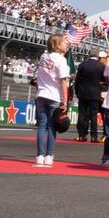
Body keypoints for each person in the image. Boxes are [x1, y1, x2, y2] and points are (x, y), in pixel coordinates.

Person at [34, 33, 70, 167]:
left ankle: (39, 155)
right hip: (54, 95)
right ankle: (49, 155)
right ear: (57, 45)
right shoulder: (61, 60)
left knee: (42, 125)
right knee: (51, 127)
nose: (66, 44)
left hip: (41, 94)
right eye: (63, 42)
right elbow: (63, 81)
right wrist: (65, 100)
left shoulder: (44, 57)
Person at [74, 50, 108, 143]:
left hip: (83, 93)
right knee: (93, 115)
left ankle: (82, 135)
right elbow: (105, 81)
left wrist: (77, 91)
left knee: (82, 114)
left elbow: (77, 81)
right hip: (95, 93)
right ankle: (94, 136)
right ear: (97, 56)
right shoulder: (101, 66)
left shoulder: (82, 65)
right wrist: (100, 88)